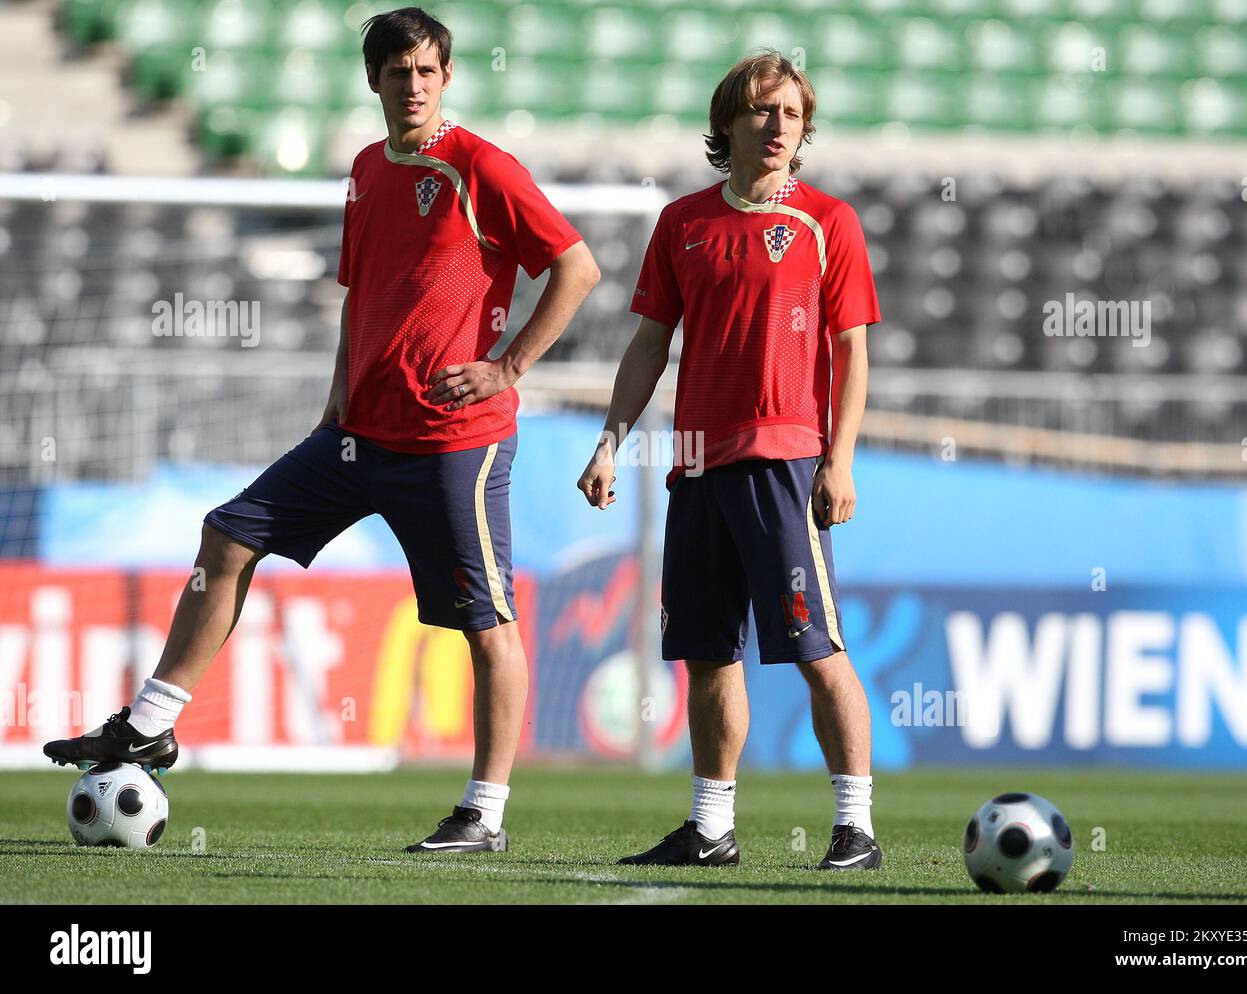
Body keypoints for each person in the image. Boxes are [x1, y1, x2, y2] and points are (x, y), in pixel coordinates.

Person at [45, 7, 601, 856]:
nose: (411, 85)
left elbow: (577, 264)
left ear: (447, 77)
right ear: (372, 80)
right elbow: (361, 293)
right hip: (356, 435)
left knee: (489, 625)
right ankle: (151, 727)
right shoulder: (366, 170)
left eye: (425, 70)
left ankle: (482, 815)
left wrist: (507, 366)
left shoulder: (480, 165)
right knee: (227, 536)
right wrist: (336, 399)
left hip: (454, 438)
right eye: (395, 72)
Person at [577, 51, 881, 870]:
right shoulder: (682, 223)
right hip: (695, 467)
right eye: (760, 111)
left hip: (786, 465)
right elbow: (649, 344)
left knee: (817, 649)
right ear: (728, 124)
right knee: (709, 652)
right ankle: (711, 828)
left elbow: (852, 353)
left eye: (790, 114)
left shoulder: (829, 221)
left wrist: (839, 460)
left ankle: (856, 829)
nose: (777, 126)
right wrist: (611, 439)